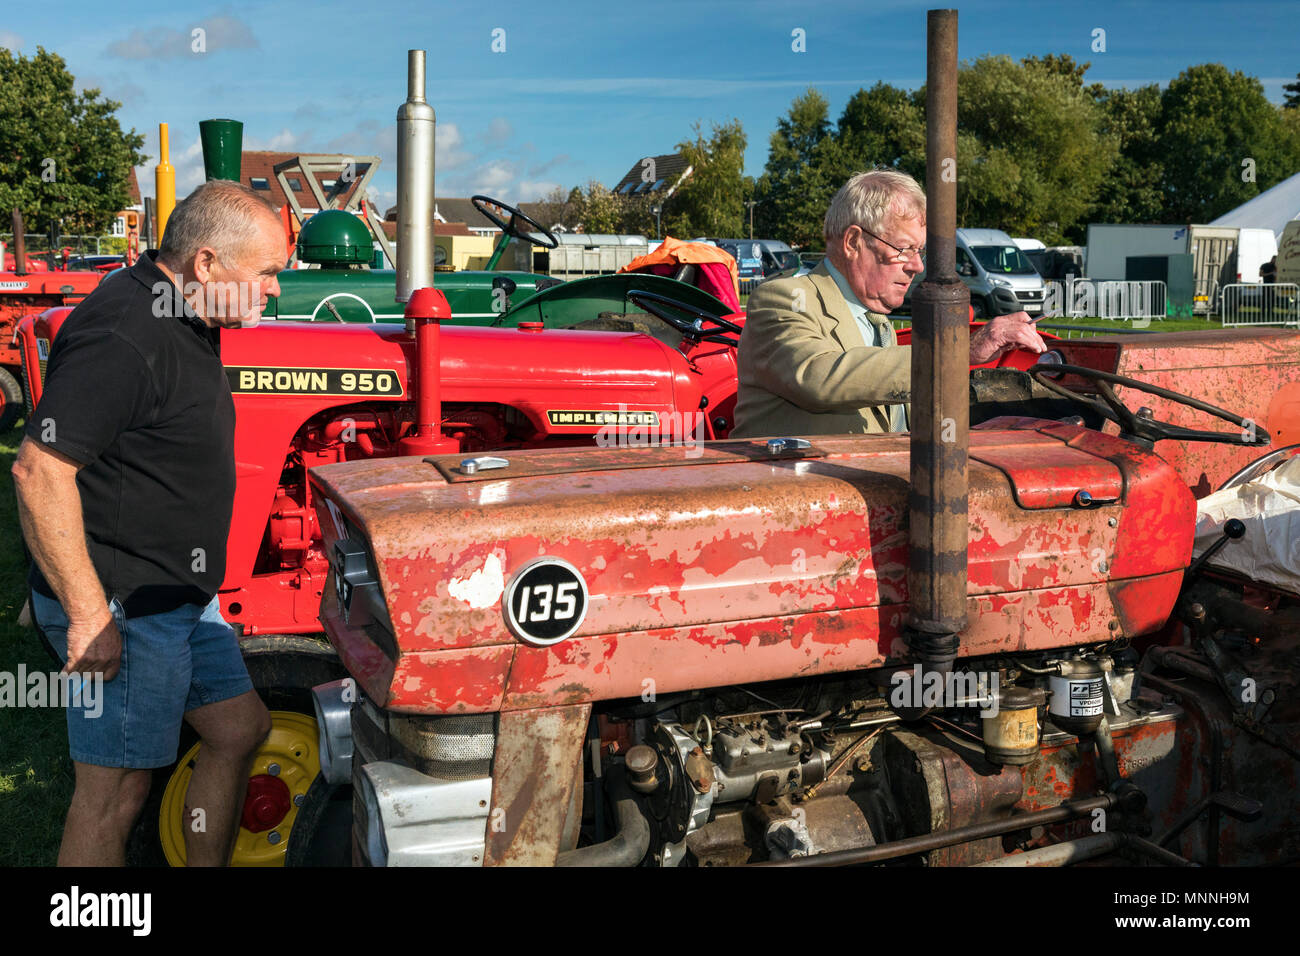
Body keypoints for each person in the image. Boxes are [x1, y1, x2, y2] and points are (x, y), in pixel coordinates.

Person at [12, 180, 286, 866]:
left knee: (238, 729)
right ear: (206, 264)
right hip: (124, 606)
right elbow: (38, 470)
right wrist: (85, 614)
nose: (275, 290)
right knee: (116, 795)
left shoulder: (182, 311)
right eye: (267, 274)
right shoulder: (126, 334)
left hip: (176, 596)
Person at [732, 169, 1046, 438]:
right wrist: (959, 351)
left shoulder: (880, 325)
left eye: (919, 251)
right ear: (853, 242)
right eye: (904, 248)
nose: (917, 266)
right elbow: (817, 377)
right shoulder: (782, 300)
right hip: (791, 499)